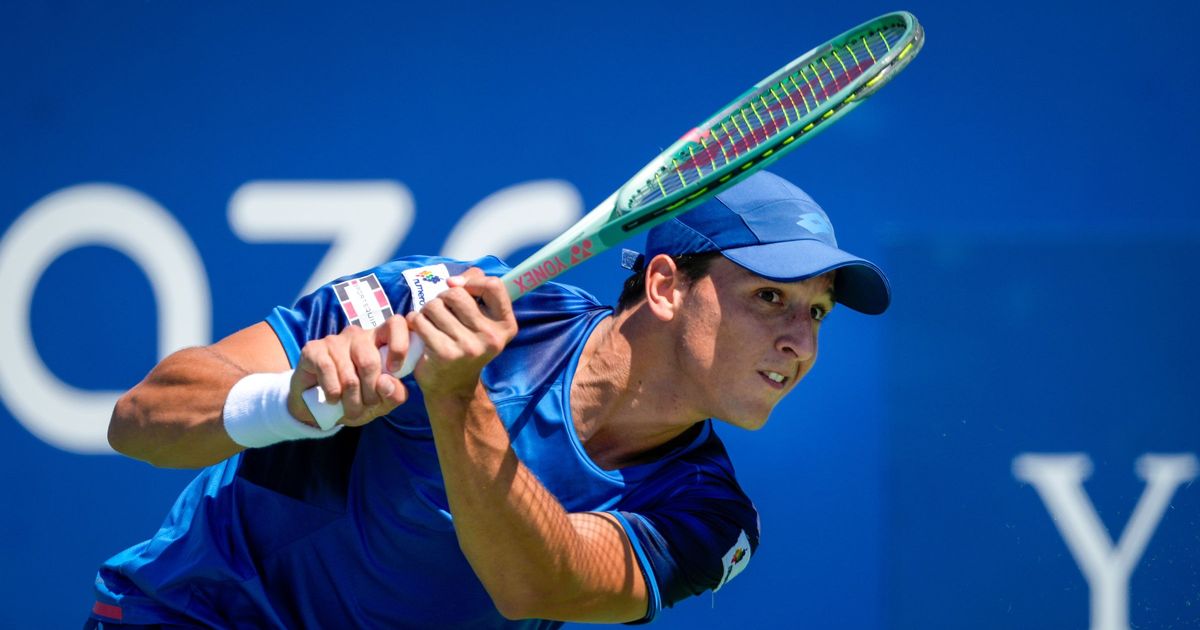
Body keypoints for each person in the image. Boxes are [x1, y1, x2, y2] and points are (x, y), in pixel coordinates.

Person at [87, 171, 890, 628]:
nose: (801, 342)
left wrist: (452, 396)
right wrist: (292, 404)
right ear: (666, 285)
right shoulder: (428, 297)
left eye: (815, 312)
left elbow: (539, 584)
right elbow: (140, 422)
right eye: (771, 301)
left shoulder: (711, 515)